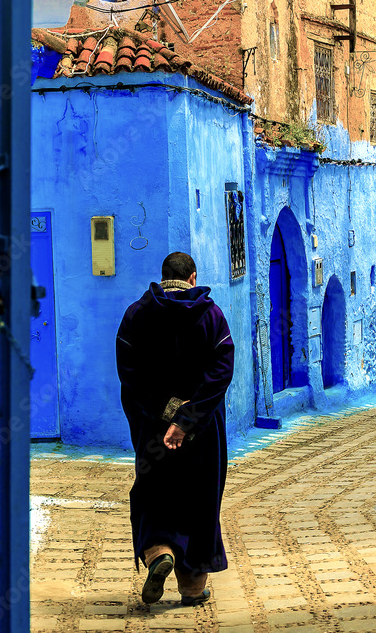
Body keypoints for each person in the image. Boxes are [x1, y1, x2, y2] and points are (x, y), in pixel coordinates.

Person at [115, 252, 235, 606]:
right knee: (201, 497)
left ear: (163, 275)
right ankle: (193, 587)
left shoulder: (136, 314)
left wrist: (167, 412)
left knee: (153, 489)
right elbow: (221, 372)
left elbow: (130, 374)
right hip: (203, 430)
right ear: (192, 278)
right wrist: (187, 419)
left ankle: (159, 552)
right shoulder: (212, 316)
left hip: (153, 427)